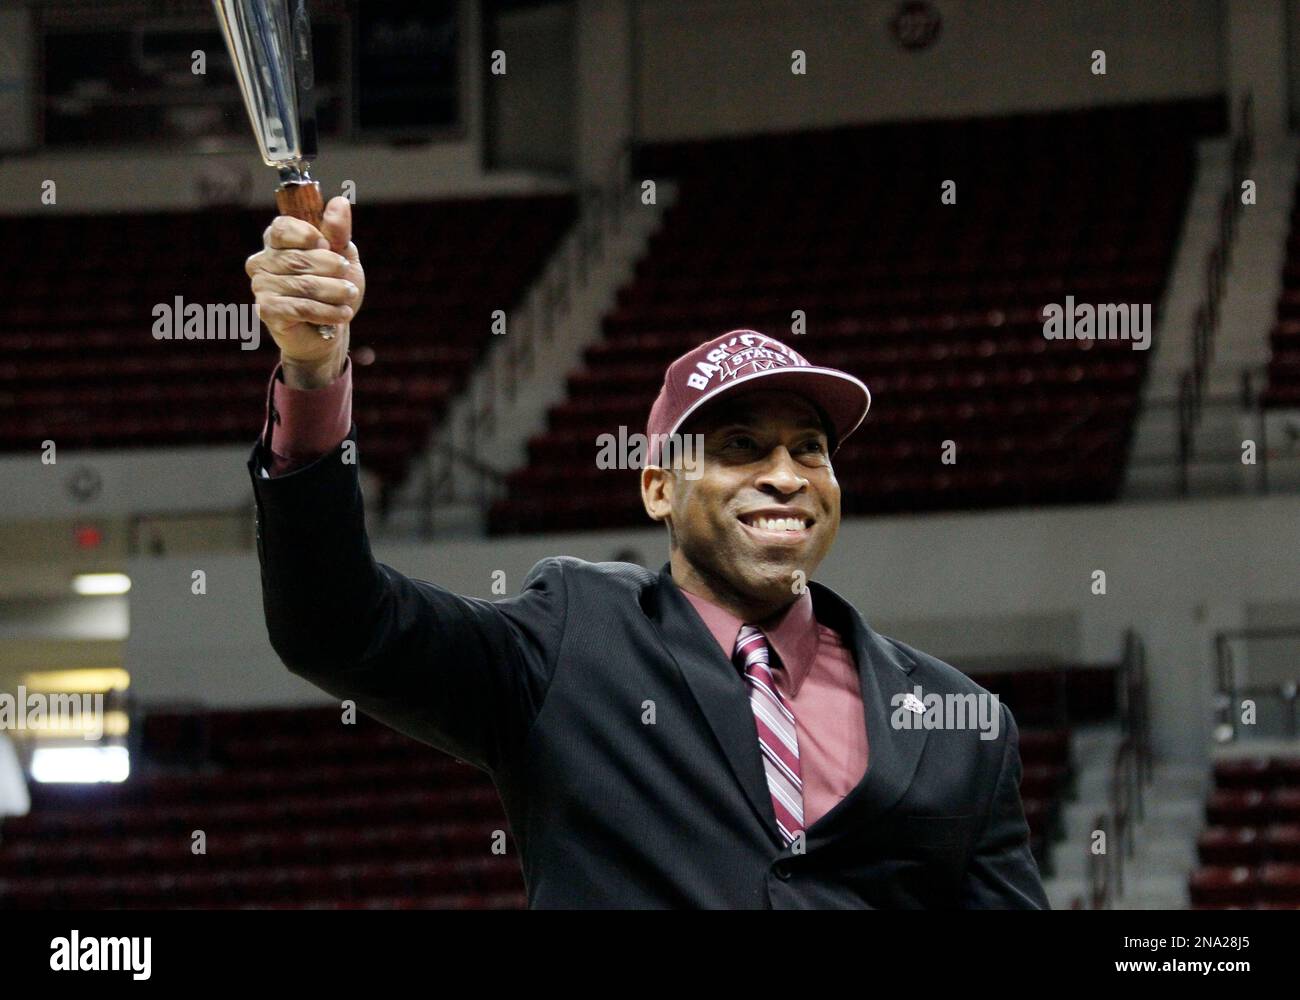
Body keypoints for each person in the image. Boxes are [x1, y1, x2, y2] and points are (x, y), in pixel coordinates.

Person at [243, 198, 1050, 909]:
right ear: (658, 488)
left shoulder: (961, 723)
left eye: (810, 450)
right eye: (740, 447)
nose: (784, 477)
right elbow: (337, 627)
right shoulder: (572, 640)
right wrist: (314, 374)